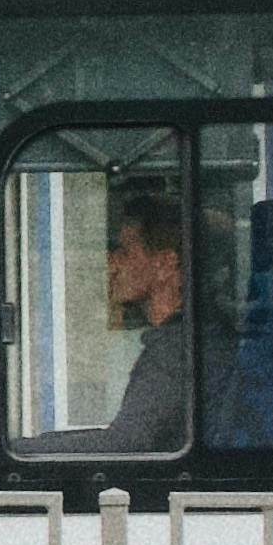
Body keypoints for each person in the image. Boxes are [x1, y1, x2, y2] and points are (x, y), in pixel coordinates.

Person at [102, 180, 189, 455]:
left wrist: (6, 448)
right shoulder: (178, 341)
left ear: (165, 263)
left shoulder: (174, 352)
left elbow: (127, 442)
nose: (110, 264)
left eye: (124, 252)